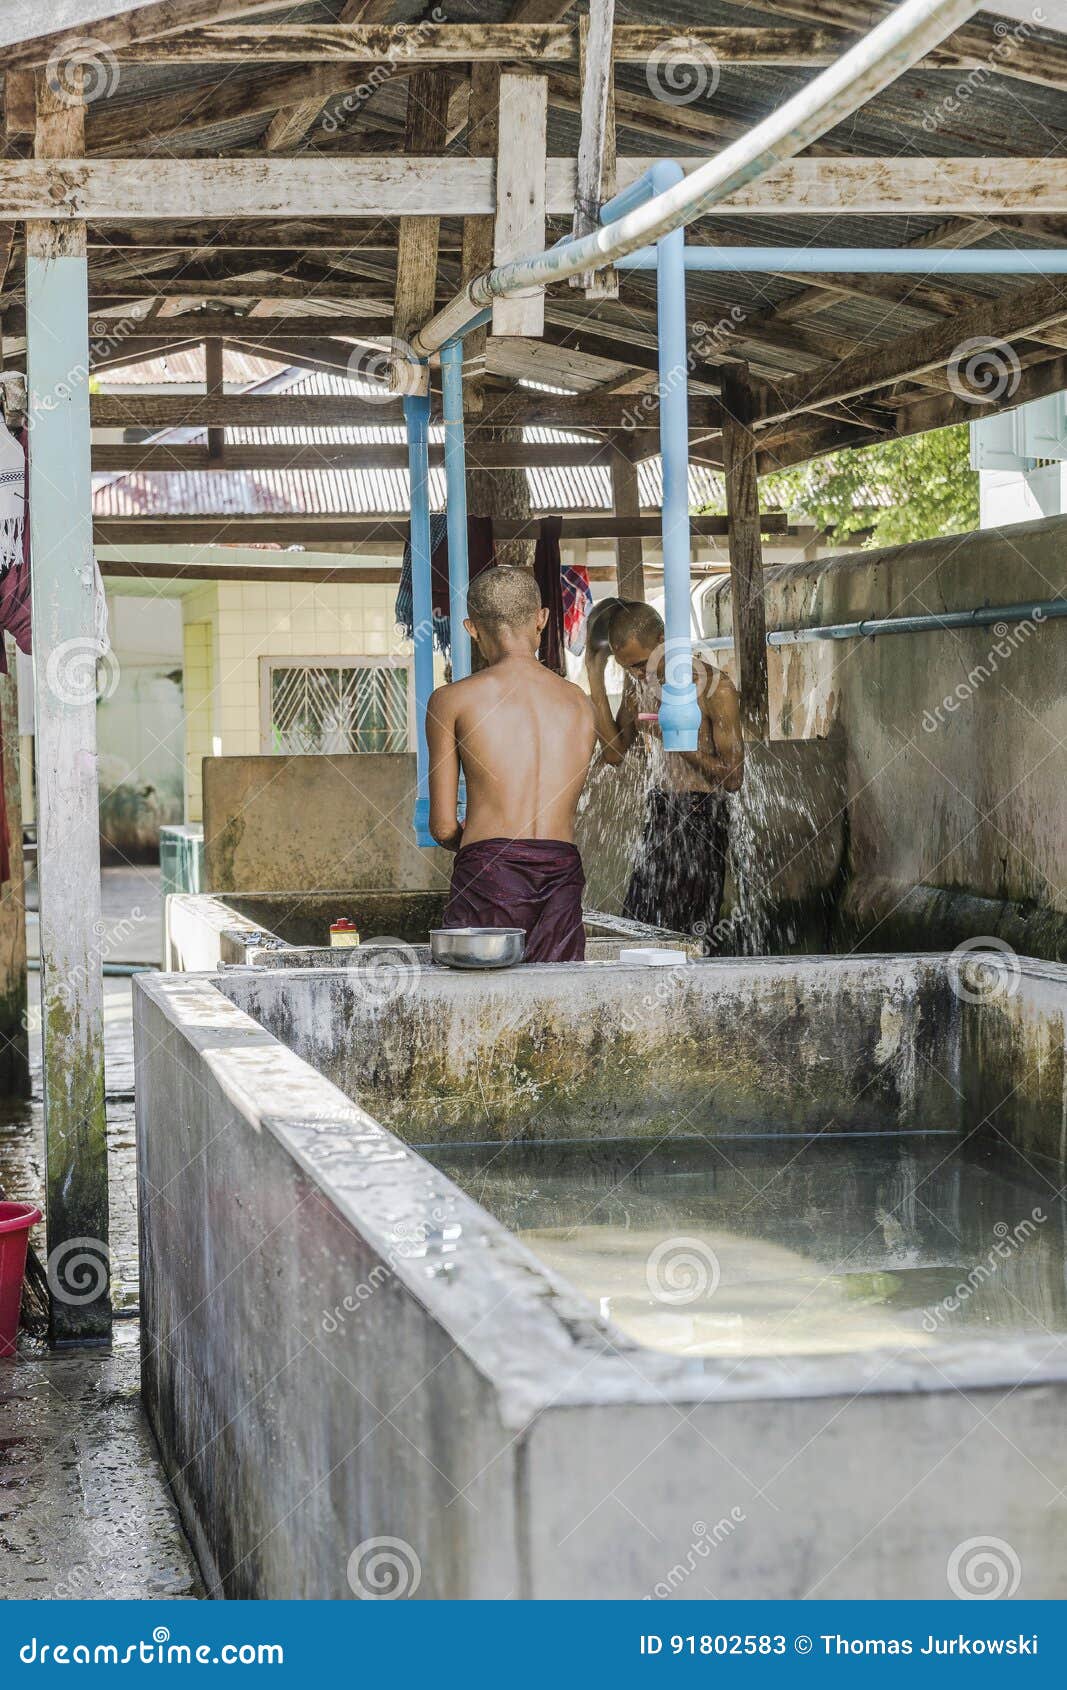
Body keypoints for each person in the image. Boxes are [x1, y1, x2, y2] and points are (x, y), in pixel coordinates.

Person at [426, 565, 597, 962]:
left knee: (480, 1003)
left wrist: (469, 843)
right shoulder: (580, 704)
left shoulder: (451, 700)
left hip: (490, 871)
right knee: (557, 1005)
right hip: (562, 870)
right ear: (542, 618)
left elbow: (443, 826)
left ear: (471, 628)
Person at [586, 599, 744, 944]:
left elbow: (733, 777)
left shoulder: (715, 688)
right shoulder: (638, 686)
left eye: (641, 665)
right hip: (660, 809)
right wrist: (594, 675)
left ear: (662, 639)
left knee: (689, 935)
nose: (639, 675)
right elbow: (614, 753)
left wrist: (681, 745)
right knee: (638, 930)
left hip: (702, 814)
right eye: (629, 669)